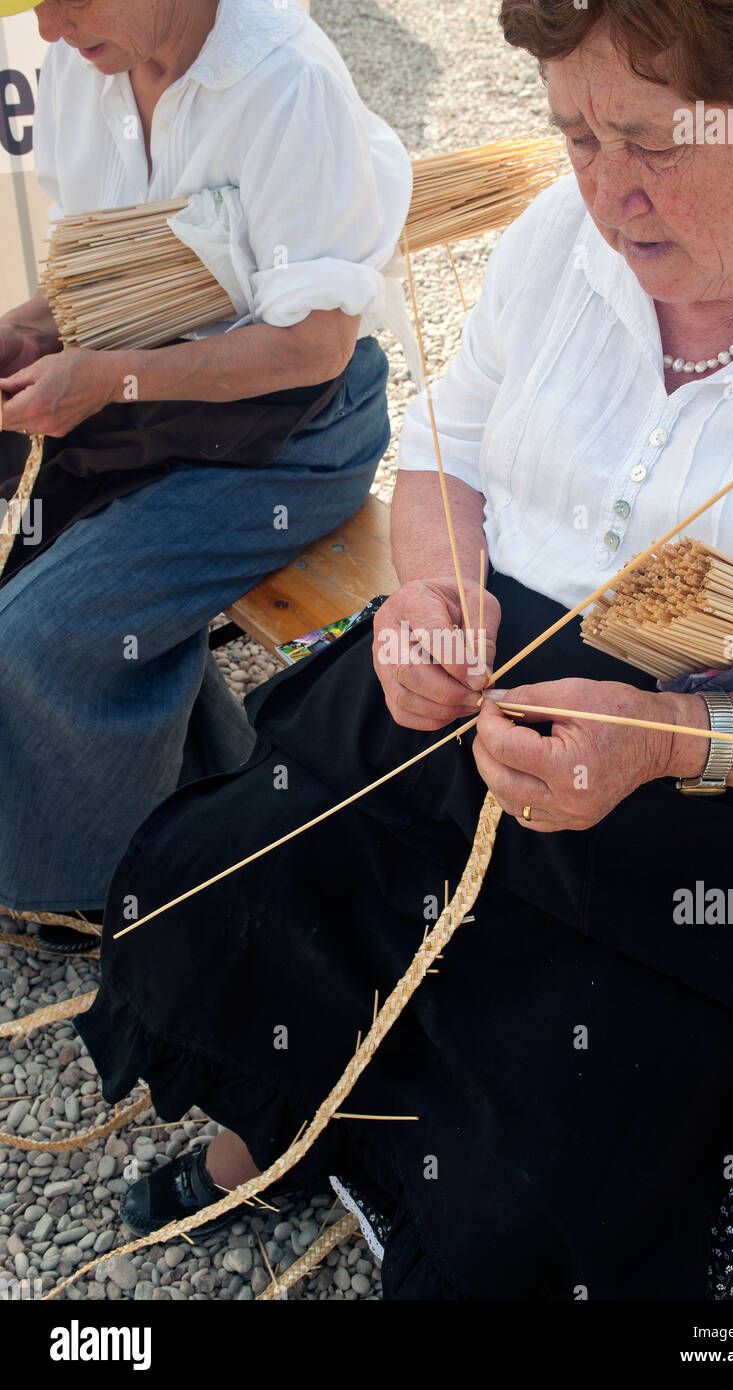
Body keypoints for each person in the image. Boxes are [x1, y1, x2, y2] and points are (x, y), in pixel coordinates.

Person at [78, 0, 733, 1299]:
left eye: (650, 142)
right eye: (572, 136)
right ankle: (294, 1134)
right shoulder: (564, 240)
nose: (610, 195)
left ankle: (437, 1207)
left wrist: (672, 738)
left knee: (559, 1133)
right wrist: (431, 598)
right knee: (228, 884)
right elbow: (452, 453)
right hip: (485, 673)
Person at [0, 0, 412, 942]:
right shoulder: (89, 62)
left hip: (293, 429)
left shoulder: (286, 81)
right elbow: (91, 279)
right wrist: (26, 332)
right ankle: (206, 791)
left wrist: (110, 378)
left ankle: (92, 884)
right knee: (35, 578)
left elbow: (311, 345)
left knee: (40, 632)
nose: (53, 28)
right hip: (142, 390)